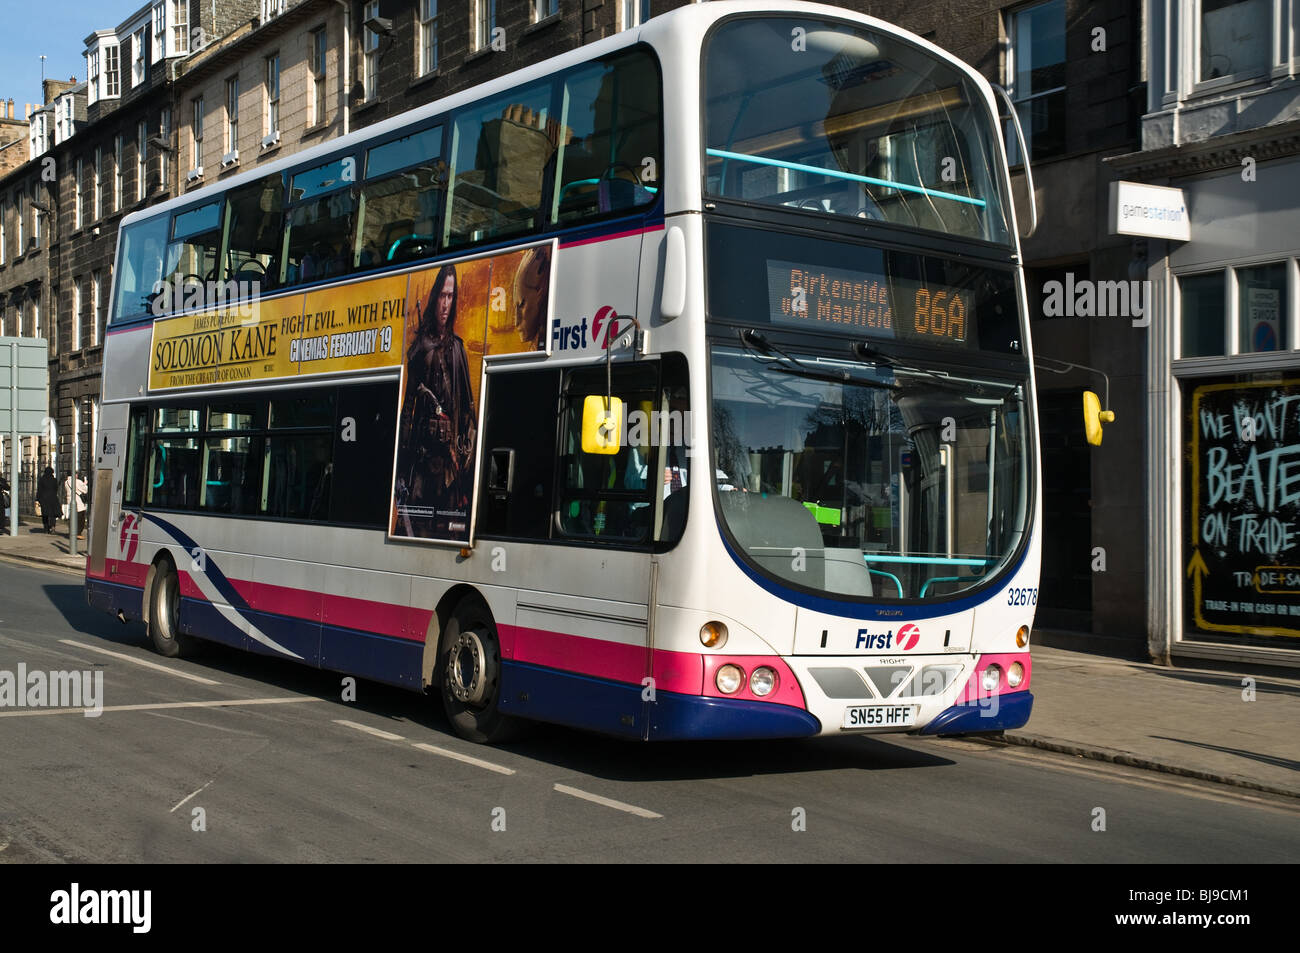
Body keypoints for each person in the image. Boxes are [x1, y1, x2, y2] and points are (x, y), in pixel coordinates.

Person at [395, 263, 476, 538]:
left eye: (450, 296)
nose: (445, 303)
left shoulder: (458, 349)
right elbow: (407, 410)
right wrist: (402, 468)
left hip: (450, 471)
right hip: (422, 464)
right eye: (442, 295)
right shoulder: (420, 348)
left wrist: (464, 457)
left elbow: (468, 411)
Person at [64, 471, 88, 538]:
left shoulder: (66, 482)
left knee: (72, 517)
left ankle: (72, 532)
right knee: (80, 518)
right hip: (78, 502)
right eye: (76, 474)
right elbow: (85, 490)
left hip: (70, 501)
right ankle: (78, 533)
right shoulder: (77, 481)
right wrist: (85, 483)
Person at [37, 466, 60, 533]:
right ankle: (53, 527)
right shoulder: (54, 480)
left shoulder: (41, 480)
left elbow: (39, 490)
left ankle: (46, 528)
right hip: (53, 498)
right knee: (53, 514)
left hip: (44, 498)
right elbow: (56, 489)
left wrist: (38, 499)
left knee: (45, 514)